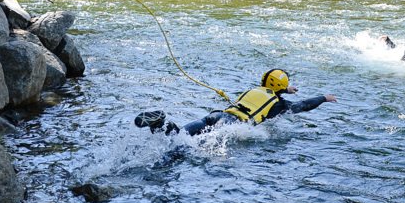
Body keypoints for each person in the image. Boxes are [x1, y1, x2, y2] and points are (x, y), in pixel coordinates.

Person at [134, 69, 336, 137]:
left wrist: (283, 89)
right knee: (183, 150)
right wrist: (323, 98)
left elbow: (270, 91)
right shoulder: (278, 104)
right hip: (231, 126)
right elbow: (302, 105)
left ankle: (161, 124)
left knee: (179, 136)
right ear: (281, 88)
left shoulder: (254, 90)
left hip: (216, 115)